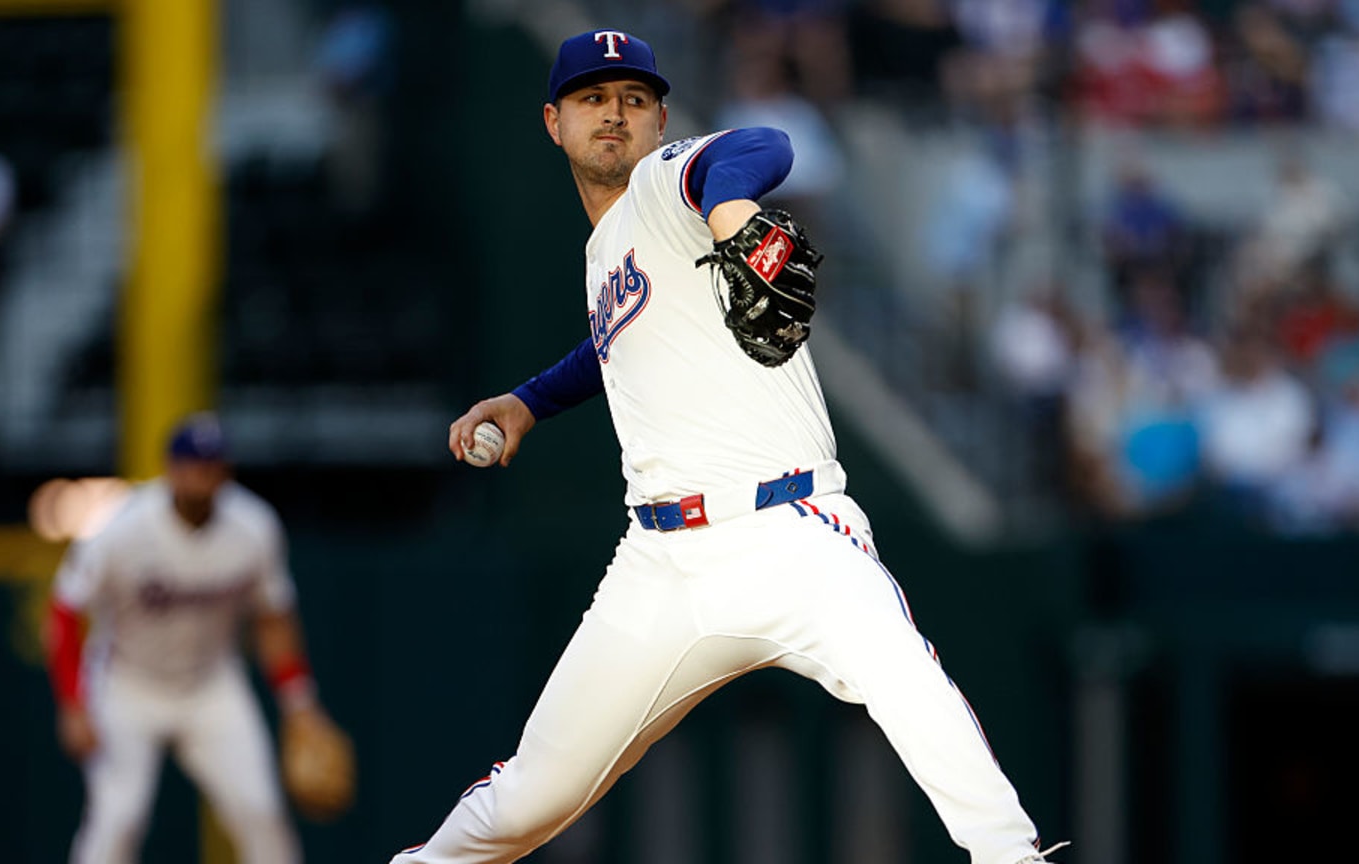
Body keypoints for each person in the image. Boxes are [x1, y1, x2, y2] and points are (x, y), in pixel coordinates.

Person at [392, 30, 1062, 864]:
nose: (614, 114)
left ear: (661, 119)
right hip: (661, 564)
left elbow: (759, 145)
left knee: (910, 689)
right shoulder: (608, 250)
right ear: (551, 121)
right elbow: (618, 343)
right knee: (532, 798)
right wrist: (532, 400)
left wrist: (733, 213)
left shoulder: (669, 182)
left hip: (792, 530)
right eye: (593, 99)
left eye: (634, 100)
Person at [46, 413, 340, 864]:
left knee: (260, 811)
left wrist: (299, 702)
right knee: (118, 818)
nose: (202, 473)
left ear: (226, 470)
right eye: (192, 463)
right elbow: (66, 607)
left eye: (212, 463)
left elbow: (273, 618)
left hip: (211, 686)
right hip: (128, 685)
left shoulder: (254, 526)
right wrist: (72, 701)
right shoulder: (122, 528)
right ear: (171, 468)